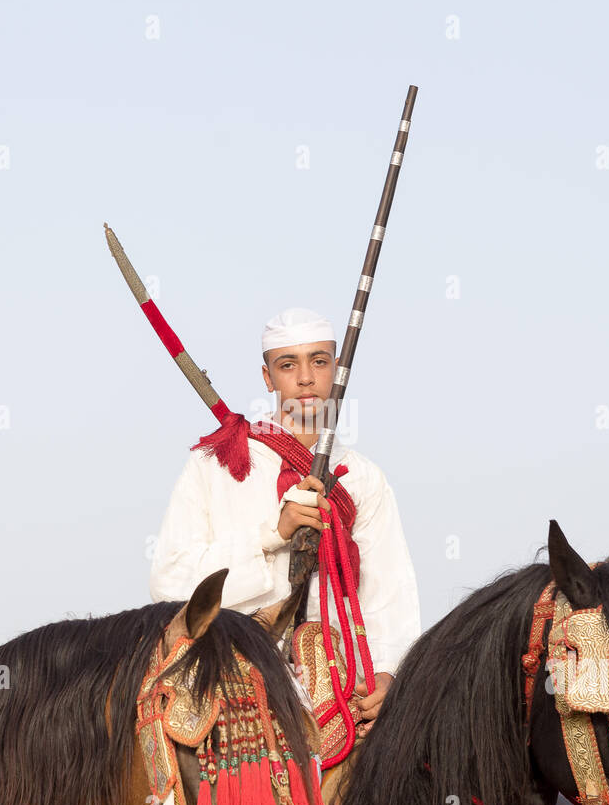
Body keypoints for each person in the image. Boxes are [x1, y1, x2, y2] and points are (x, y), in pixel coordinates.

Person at [150, 308, 420, 727]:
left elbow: (389, 591)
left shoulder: (364, 479)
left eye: (319, 361)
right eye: (288, 364)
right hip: (231, 682)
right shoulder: (215, 464)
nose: (306, 378)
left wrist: (388, 675)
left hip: (342, 688)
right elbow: (168, 581)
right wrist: (271, 536)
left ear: (338, 368)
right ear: (267, 378)